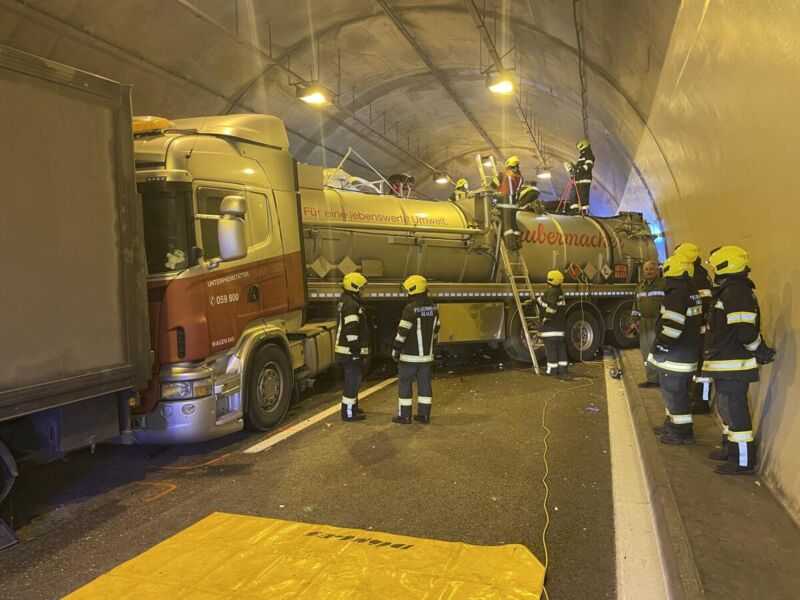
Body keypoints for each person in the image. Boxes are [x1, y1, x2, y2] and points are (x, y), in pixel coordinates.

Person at [702, 246, 775, 475]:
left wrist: (760, 351)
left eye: (716, 265)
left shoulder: (736, 293)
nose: (714, 270)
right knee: (727, 408)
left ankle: (742, 461)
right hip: (726, 364)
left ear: (727, 265)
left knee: (735, 410)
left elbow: (745, 332)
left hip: (734, 365)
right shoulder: (730, 291)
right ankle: (731, 449)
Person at [647, 254, 703, 445]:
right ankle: (672, 426)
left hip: (675, 357)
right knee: (677, 394)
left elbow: (672, 328)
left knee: (674, 394)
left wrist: (661, 346)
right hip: (686, 354)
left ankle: (681, 432)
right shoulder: (691, 292)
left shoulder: (676, 295)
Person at [391, 275, 440, 424]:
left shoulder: (410, 309)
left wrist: (396, 350)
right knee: (425, 385)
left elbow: (402, 333)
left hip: (409, 358)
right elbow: (437, 329)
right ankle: (424, 415)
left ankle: (404, 416)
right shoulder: (433, 307)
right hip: (426, 357)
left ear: (412, 290)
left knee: (405, 384)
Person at [674, 242, 714, 412]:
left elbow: (704, 306)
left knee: (702, 371)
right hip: (697, 333)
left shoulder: (697, 278)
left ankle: (702, 402)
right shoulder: (697, 276)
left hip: (701, 334)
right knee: (697, 370)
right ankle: (696, 398)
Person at [335, 272, 370, 422]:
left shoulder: (346, 301)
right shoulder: (351, 305)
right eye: (362, 288)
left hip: (345, 351)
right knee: (352, 381)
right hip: (349, 352)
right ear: (355, 287)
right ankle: (349, 413)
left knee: (354, 379)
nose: (363, 291)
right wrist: (355, 351)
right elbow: (351, 330)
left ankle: (352, 407)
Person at [630, 260, 665, 388]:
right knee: (646, 353)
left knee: (659, 352)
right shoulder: (640, 287)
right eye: (646, 270)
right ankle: (652, 379)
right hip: (644, 323)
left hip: (658, 322)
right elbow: (635, 307)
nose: (648, 272)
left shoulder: (664, 285)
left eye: (651, 269)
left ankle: (663, 379)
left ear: (657, 271)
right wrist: (633, 321)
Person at [537, 270, 568, 376]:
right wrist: (536, 300)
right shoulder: (559, 292)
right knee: (561, 347)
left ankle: (552, 371)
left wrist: (546, 318)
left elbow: (551, 307)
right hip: (559, 328)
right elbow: (545, 301)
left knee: (551, 349)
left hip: (551, 328)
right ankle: (562, 369)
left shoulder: (551, 292)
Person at [494, 156, 524, 250]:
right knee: (513, 223)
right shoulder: (520, 177)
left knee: (506, 224)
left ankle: (510, 244)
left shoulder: (504, 174)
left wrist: (493, 196)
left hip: (504, 203)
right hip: (514, 204)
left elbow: (491, 186)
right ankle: (517, 242)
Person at [573, 139, 594, 210]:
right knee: (573, 195)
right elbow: (580, 168)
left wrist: (577, 167)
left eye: (579, 148)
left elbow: (587, 167)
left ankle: (584, 211)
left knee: (583, 196)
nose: (579, 149)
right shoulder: (582, 156)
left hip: (584, 179)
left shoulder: (589, 155)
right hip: (578, 179)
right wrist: (572, 169)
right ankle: (574, 211)